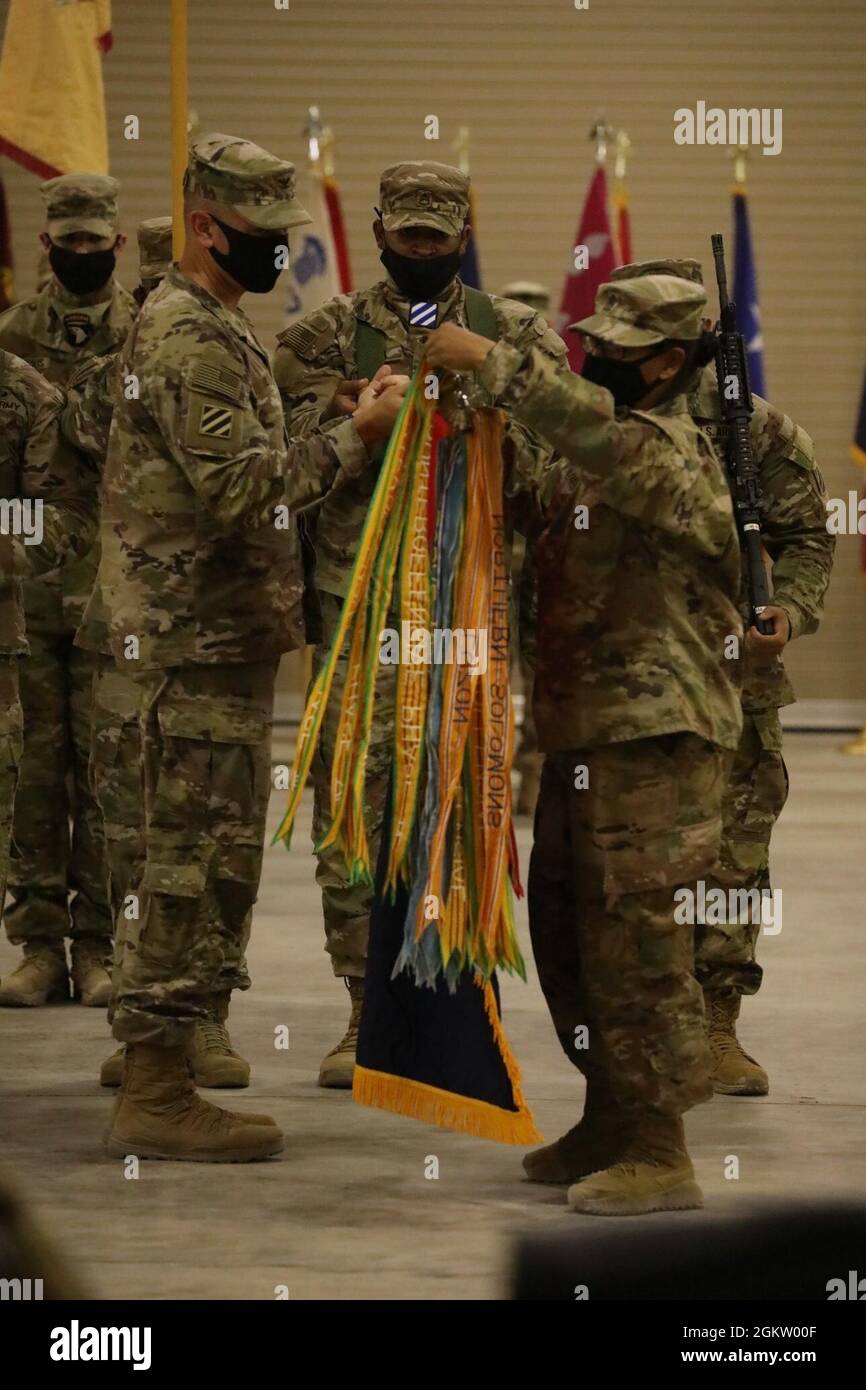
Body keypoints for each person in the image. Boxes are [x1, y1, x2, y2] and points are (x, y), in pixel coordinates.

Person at [98, 133, 407, 1162]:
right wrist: (355, 437)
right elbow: (240, 490)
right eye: (258, 231)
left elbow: (241, 456)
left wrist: (326, 418)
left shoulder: (216, 322)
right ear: (203, 225)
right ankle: (155, 1087)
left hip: (214, 645)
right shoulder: (187, 333)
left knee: (214, 862)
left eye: (283, 230)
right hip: (185, 647)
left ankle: (170, 1072)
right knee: (185, 866)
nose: (277, 249)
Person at [426, 270, 743, 1215]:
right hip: (580, 734)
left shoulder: (670, 450)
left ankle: (661, 1145)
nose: (594, 355)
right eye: (590, 342)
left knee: (638, 943)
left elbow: (592, 431)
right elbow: (525, 483)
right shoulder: (592, 450)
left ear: (668, 363)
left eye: (614, 348)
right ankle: (610, 1114)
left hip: (654, 740)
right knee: (570, 936)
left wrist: (496, 361)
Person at [273, 161, 567, 1087]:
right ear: (379, 234)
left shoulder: (515, 337)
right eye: (409, 238)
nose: (424, 252)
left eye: (440, 238)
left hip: (468, 606)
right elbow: (282, 474)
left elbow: (560, 469)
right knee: (354, 804)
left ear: (465, 236)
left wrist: (489, 411)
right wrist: (361, 423)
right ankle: (366, 1006)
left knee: (459, 798)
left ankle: (448, 1002)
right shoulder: (319, 339)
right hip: (359, 611)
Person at [605, 258, 834, 1096]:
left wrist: (788, 615)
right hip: (629, 679)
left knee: (735, 857)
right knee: (633, 862)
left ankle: (717, 1023)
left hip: (738, 679)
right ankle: (641, 1031)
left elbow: (808, 536)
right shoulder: (593, 418)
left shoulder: (755, 428)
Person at [0, 175, 135, 1008]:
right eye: (69, 240)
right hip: (26, 595)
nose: (83, 253)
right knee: (31, 776)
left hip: (117, 593)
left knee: (108, 772)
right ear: (46, 243)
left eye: (96, 240)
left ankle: (99, 946)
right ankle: (39, 945)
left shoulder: (148, 336)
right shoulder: (12, 338)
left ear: (117, 244)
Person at [0, 350, 97, 932]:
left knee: (96, 781)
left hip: (65, 617)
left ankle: (91, 938)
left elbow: (64, 513)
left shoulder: (19, 390)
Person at [499, 280, 554, 820]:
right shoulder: (479, 387)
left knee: (541, 678)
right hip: (487, 562)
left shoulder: (560, 396)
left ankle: (533, 781)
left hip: (541, 561)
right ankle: (490, 779)